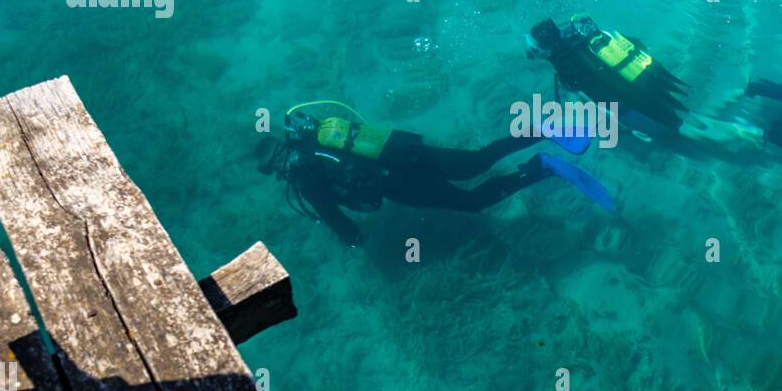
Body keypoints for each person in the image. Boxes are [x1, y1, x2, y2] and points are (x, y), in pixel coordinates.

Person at [526, 15, 782, 195]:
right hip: (659, 81)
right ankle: (765, 91)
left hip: (639, 104)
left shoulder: (566, 67)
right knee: (697, 114)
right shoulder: (585, 32)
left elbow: (599, 104)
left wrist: (628, 128)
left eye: (535, 52)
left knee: (700, 135)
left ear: (543, 50)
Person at [258, 101, 613, 245]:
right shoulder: (311, 129)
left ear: (273, 162)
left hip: (396, 183)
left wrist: (354, 240)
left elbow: (335, 217)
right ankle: (545, 130)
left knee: (472, 201)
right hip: (406, 150)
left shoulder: (301, 172)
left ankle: (542, 167)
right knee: (478, 160)